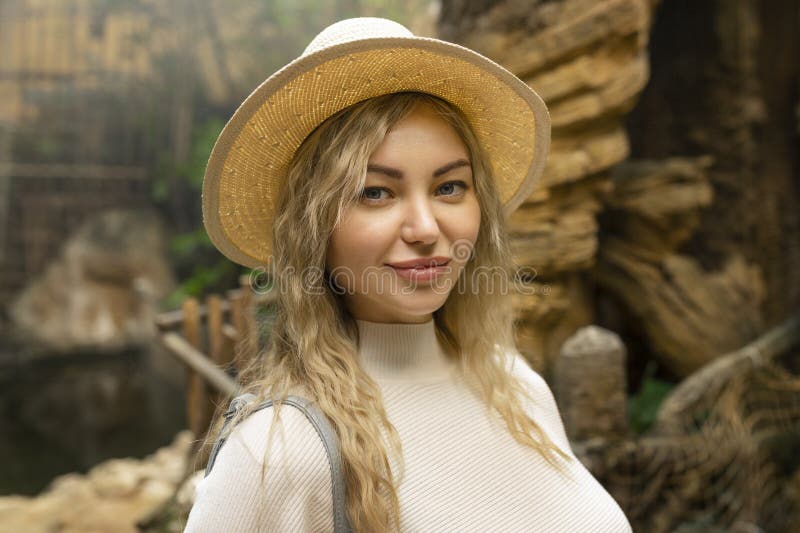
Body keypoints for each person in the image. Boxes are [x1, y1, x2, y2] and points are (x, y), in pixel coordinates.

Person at [185, 17, 632, 533]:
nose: (425, 228)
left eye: (449, 187)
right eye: (375, 192)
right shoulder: (278, 452)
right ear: (311, 227)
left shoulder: (515, 386)